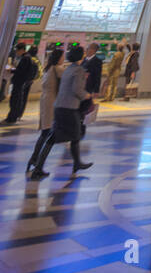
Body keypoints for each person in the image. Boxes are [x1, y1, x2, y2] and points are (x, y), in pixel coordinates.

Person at [28, 45, 93, 179]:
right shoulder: (77, 70)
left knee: (53, 137)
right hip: (69, 108)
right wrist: (87, 96)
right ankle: (76, 163)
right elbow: (77, 90)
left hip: (58, 107)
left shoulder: (67, 69)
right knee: (74, 136)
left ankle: (38, 165)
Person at [26, 46, 64, 177]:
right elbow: (67, 80)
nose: (63, 59)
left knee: (44, 131)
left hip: (45, 100)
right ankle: (37, 164)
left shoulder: (48, 68)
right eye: (62, 57)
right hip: (51, 102)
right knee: (48, 133)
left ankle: (34, 158)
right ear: (59, 58)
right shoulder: (58, 69)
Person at [4, 43, 36, 124]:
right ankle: (13, 117)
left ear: (22, 49)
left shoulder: (25, 58)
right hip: (21, 82)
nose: (16, 52)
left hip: (19, 82)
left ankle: (11, 118)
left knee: (15, 100)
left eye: (17, 50)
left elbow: (21, 71)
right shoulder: (27, 58)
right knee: (16, 100)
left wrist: (11, 70)